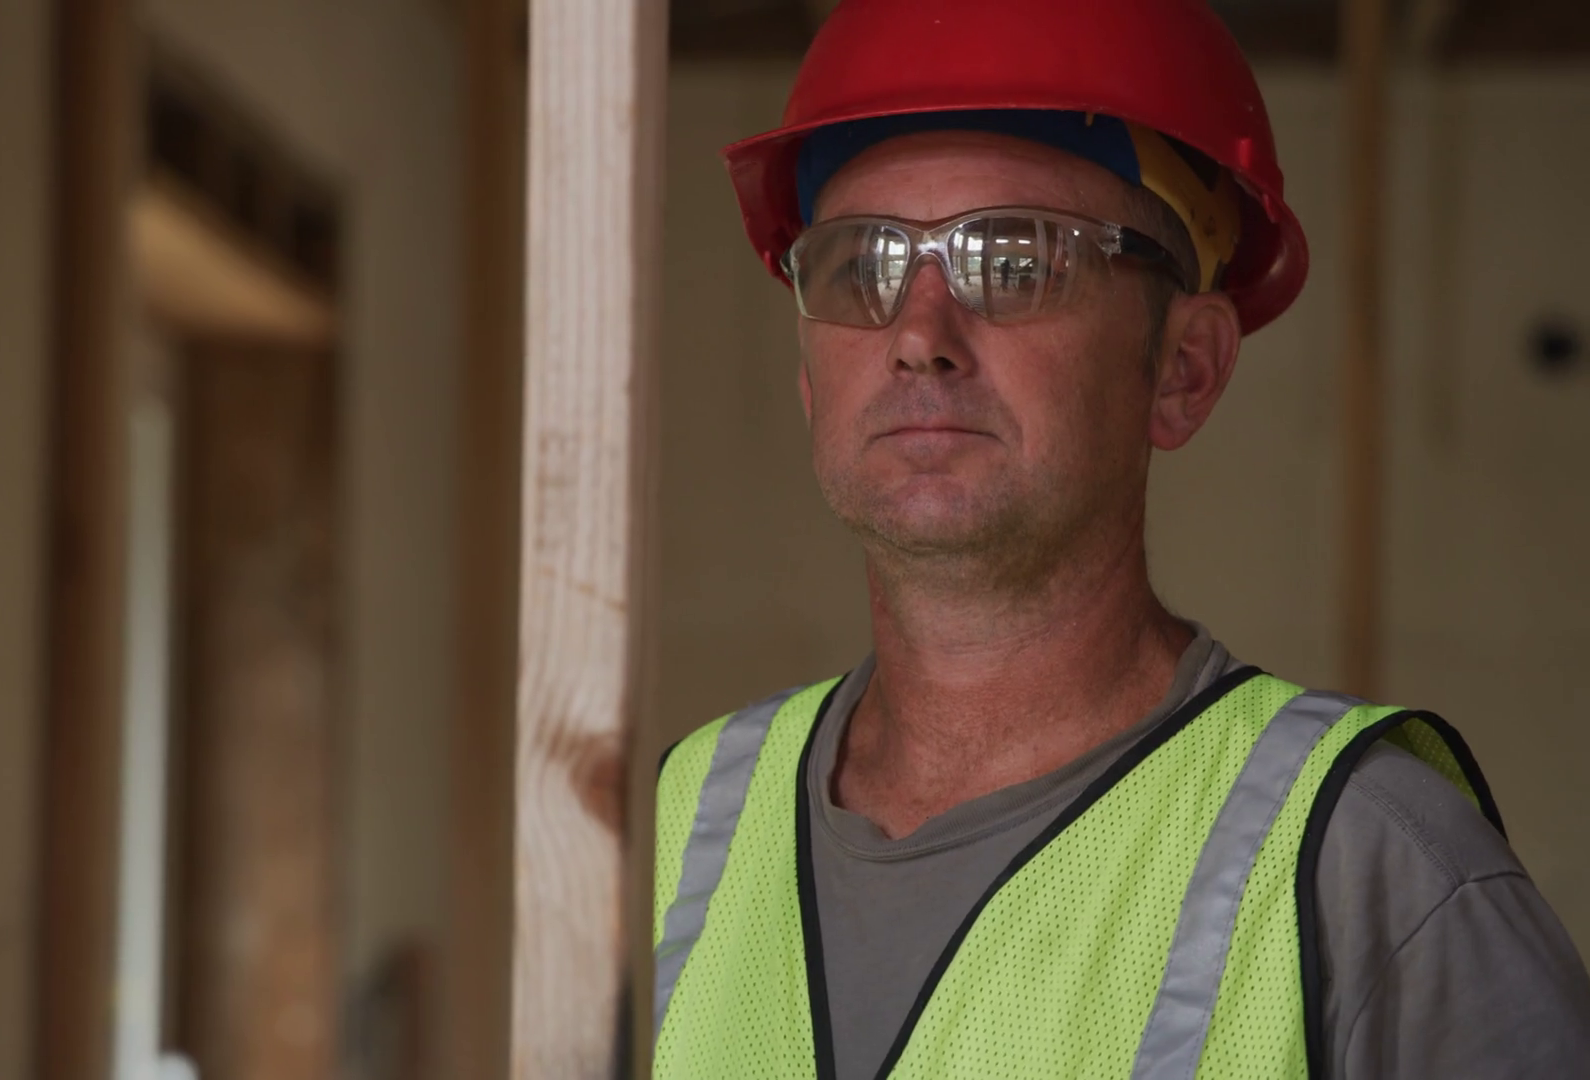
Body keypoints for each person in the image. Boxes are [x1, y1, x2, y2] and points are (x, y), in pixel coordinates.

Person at [650, 1, 1590, 1077]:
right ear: (811, 376)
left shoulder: (1365, 865)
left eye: (1013, 260)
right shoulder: (692, 826)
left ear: (1184, 369)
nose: (917, 336)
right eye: (860, 263)